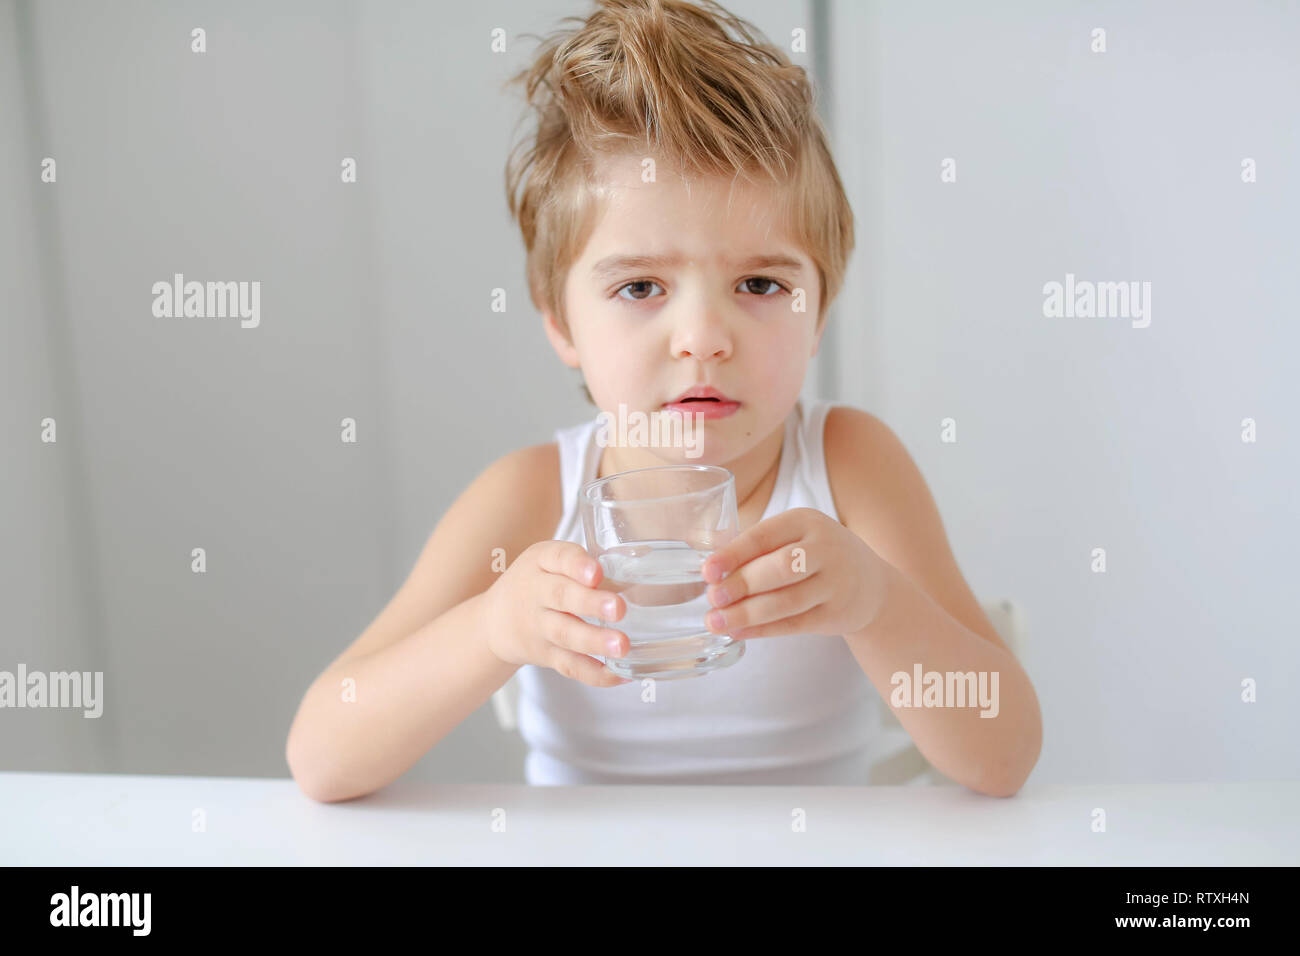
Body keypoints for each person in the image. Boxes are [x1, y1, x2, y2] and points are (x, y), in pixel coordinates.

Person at [286, 0, 1041, 800]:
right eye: (641, 286)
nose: (703, 338)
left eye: (760, 284)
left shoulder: (850, 466)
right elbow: (323, 757)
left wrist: (877, 601)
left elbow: (1005, 757)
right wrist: (491, 629)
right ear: (561, 322)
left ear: (817, 312)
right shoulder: (533, 495)